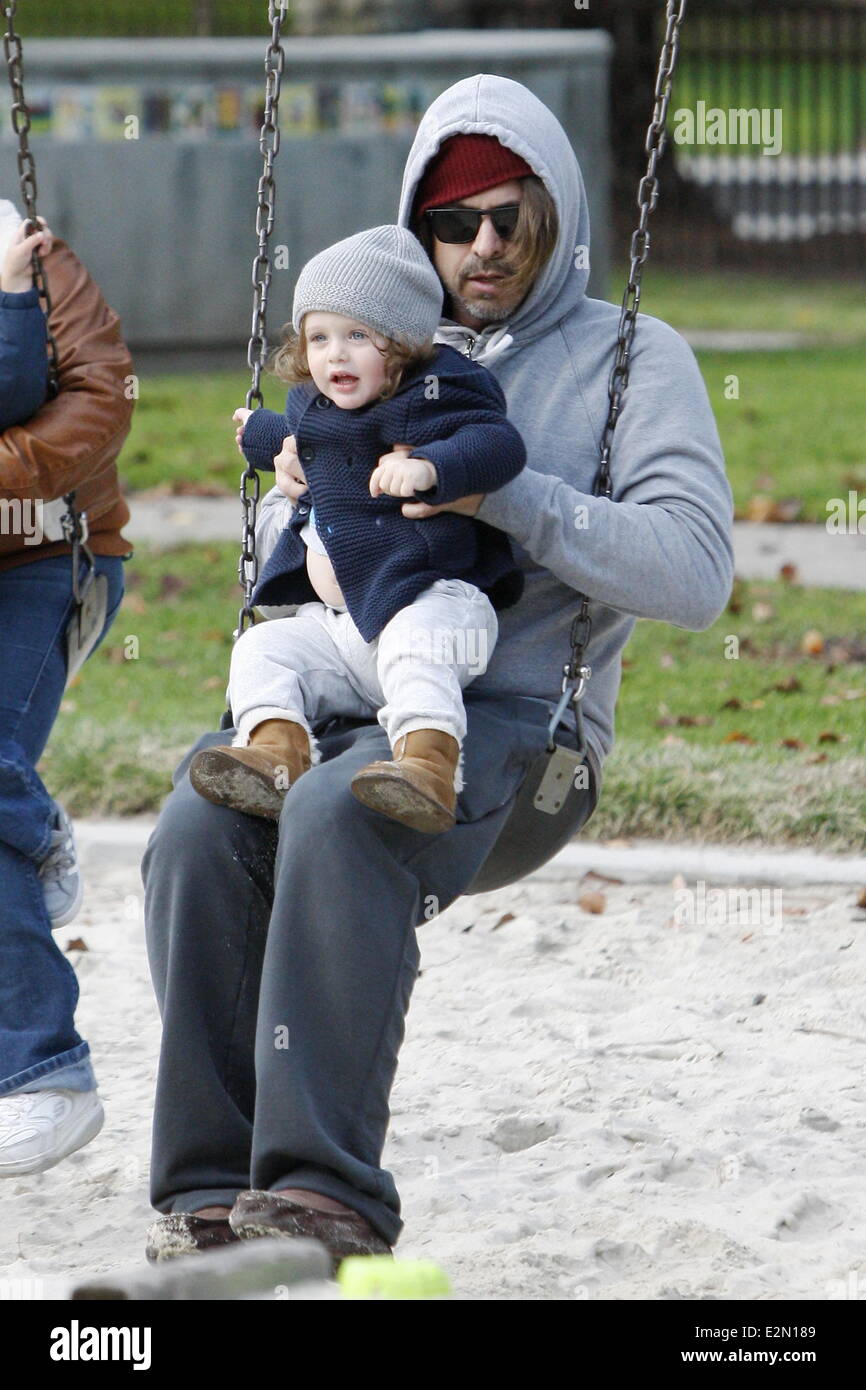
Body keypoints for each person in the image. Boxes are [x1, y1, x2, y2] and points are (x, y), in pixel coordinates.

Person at [142, 75, 734, 1268]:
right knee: (196, 832)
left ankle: (322, 1197)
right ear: (415, 228)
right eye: (452, 222)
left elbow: (694, 570)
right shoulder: (367, 345)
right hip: (349, 692)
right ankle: (211, 1192)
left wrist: (505, 495)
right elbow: (307, 558)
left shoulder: (629, 359)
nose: (482, 246)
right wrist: (298, 514)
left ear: (555, 215)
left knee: (336, 814)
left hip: (516, 730)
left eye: (509, 217)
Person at [189, 224, 526, 833]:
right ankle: (275, 753)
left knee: (417, 648)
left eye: (357, 336)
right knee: (262, 648)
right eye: (318, 337)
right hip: (340, 629)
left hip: (429, 603)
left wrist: (430, 467)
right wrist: (257, 435)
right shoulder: (312, 402)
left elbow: (498, 446)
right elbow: (288, 442)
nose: (334, 355)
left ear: (402, 345)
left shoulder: (437, 394)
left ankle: (427, 767)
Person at [0, 198, 134, 1175]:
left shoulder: (31, 255)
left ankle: (47, 1068)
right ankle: (32, 826)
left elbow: (99, 403)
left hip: (47, 561)